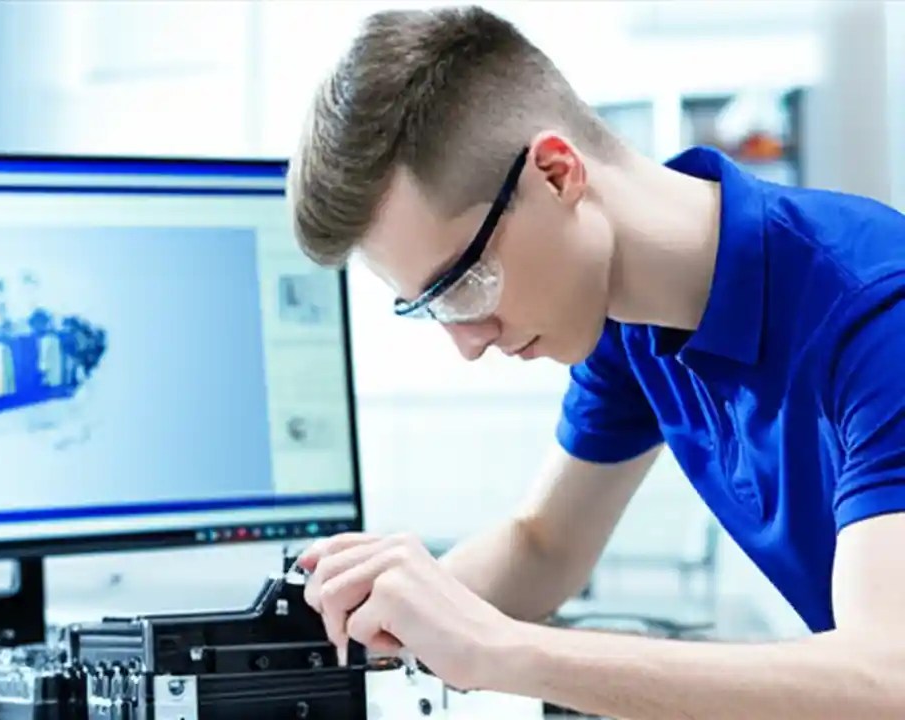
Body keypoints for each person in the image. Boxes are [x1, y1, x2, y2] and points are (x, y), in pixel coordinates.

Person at [286, 5, 905, 718]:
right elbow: (544, 545)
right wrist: (370, 615)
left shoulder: (876, 314)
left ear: (555, 174)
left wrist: (505, 651)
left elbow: (885, 677)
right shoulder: (631, 328)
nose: (468, 340)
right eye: (433, 308)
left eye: (464, 286)